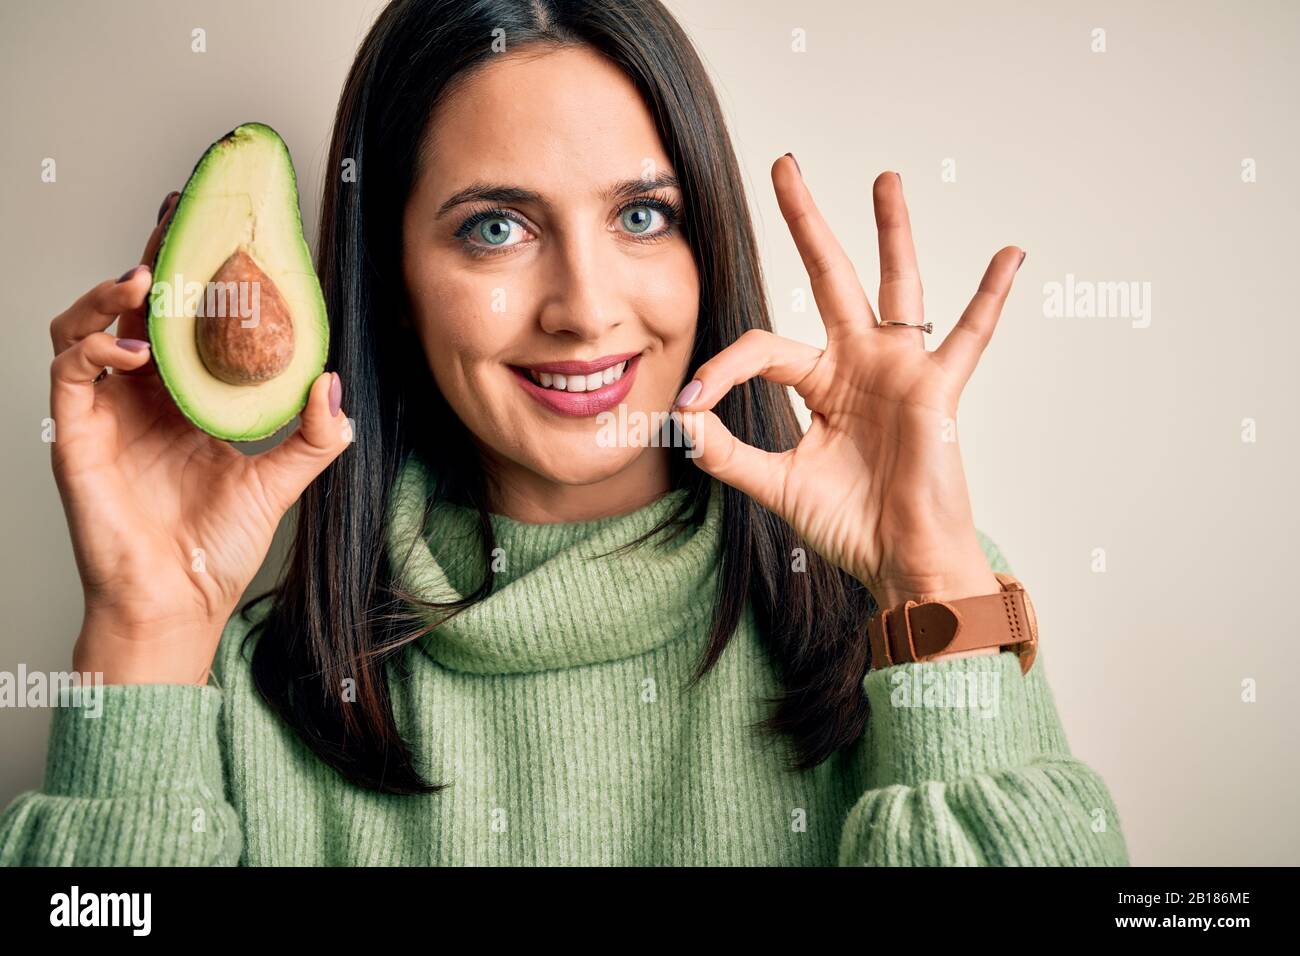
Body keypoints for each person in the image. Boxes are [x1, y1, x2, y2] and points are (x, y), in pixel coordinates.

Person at [0, 0, 1128, 866]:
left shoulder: (919, 613)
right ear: (390, 280)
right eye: (495, 226)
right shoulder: (239, 690)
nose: (585, 306)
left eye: (643, 215)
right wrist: (142, 630)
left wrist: (925, 573)